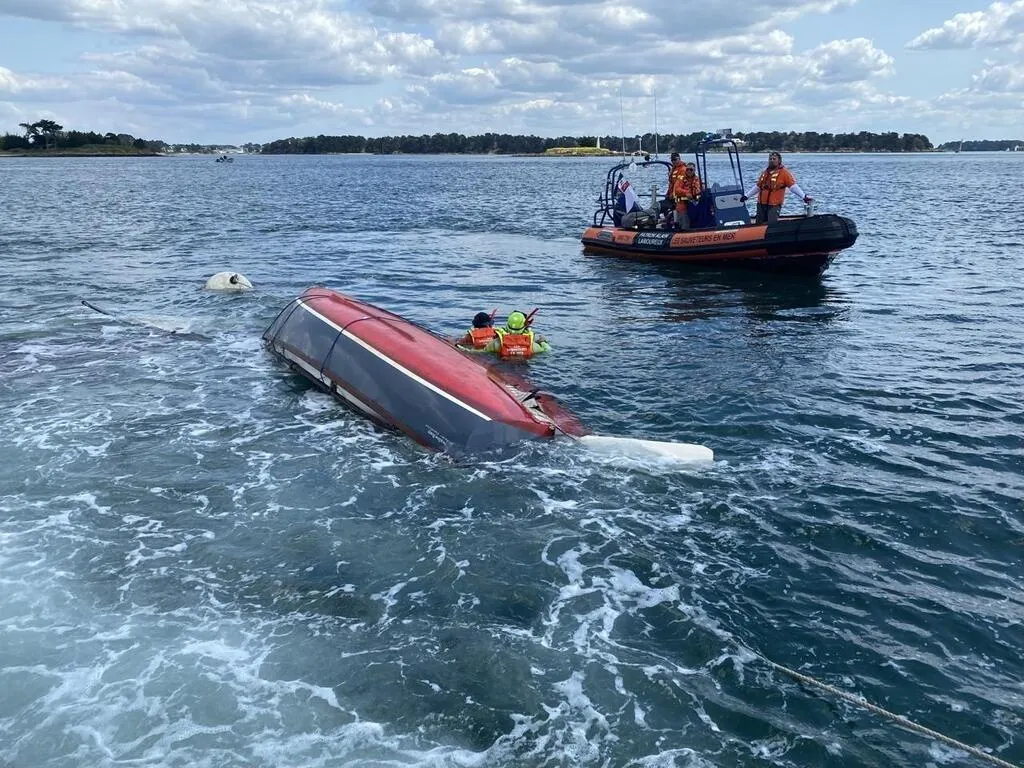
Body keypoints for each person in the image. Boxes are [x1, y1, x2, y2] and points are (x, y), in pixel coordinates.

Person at [741, 151, 812, 224]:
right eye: (770, 159)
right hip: (761, 204)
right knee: (759, 224)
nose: (772, 160)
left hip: (774, 205)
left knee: (771, 224)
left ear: (779, 161)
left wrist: (804, 196)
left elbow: (793, 187)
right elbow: (758, 187)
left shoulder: (784, 173)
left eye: (774, 159)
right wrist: (746, 196)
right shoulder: (765, 172)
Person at [483, 310, 550, 359]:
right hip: (523, 369)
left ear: (508, 324)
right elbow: (548, 351)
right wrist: (543, 342)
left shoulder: (496, 343)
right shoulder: (532, 346)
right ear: (524, 326)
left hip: (502, 367)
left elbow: (483, 352)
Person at [670, 161, 703, 230]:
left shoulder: (697, 179)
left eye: (691, 169)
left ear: (694, 170)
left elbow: (699, 189)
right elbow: (677, 189)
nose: (689, 171)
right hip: (683, 204)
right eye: (687, 169)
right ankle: (684, 231)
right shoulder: (681, 179)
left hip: (694, 204)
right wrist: (686, 193)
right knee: (685, 222)